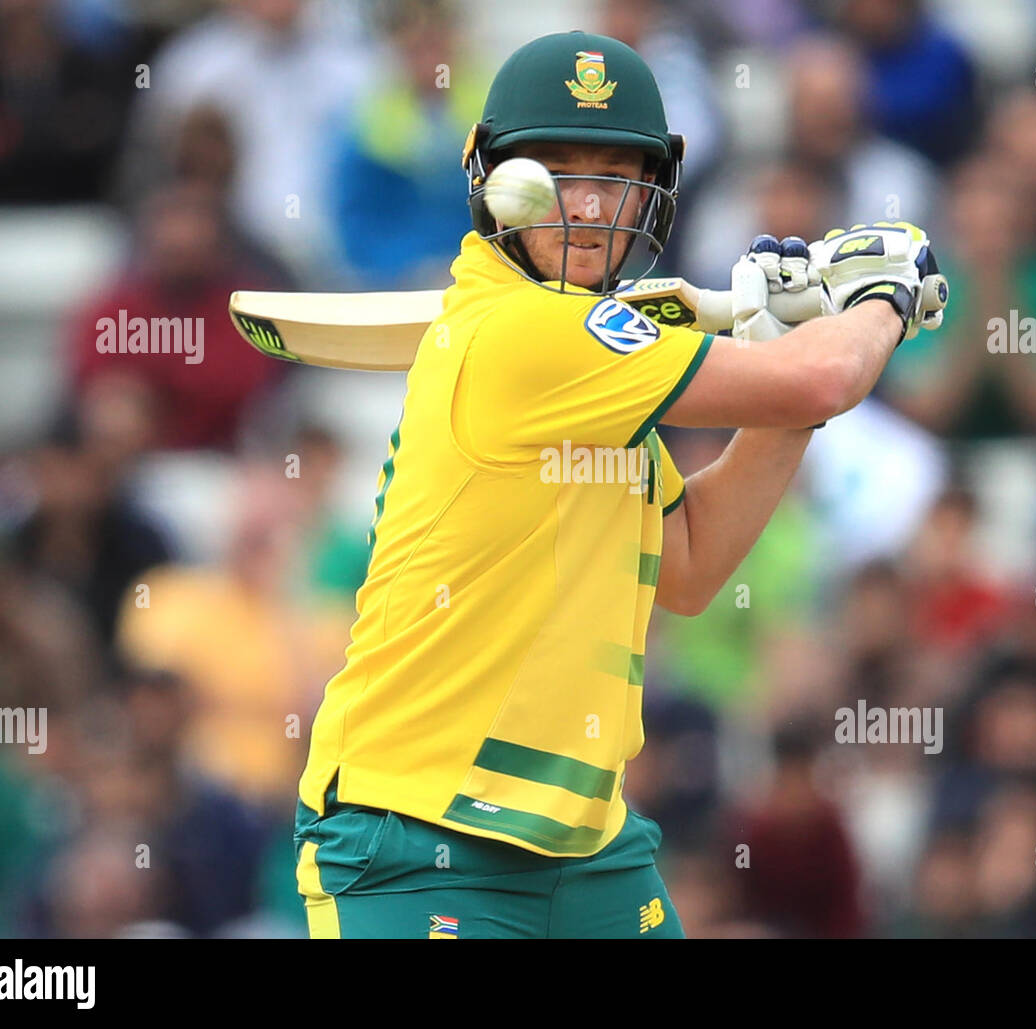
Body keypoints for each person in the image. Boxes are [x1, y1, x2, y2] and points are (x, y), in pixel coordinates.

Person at [292, 30, 946, 939]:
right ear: (491, 183)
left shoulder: (591, 363)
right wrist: (882, 296)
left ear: (655, 191)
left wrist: (782, 343)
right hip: (417, 835)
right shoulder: (528, 335)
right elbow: (825, 380)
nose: (589, 205)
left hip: (589, 845)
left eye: (615, 175)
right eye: (554, 174)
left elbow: (687, 564)